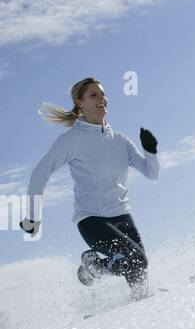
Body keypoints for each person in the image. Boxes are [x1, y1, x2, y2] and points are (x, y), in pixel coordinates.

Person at [20, 78, 159, 298]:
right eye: (93, 95)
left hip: (123, 215)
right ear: (80, 103)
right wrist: (32, 217)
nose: (102, 99)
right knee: (135, 259)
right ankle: (95, 268)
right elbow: (40, 173)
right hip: (93, 219)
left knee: (139, 268)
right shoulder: (72, 140)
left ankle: (135, 302)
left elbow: (151, 173)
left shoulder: (120, 140)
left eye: (103, 94)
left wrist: (151, 151)